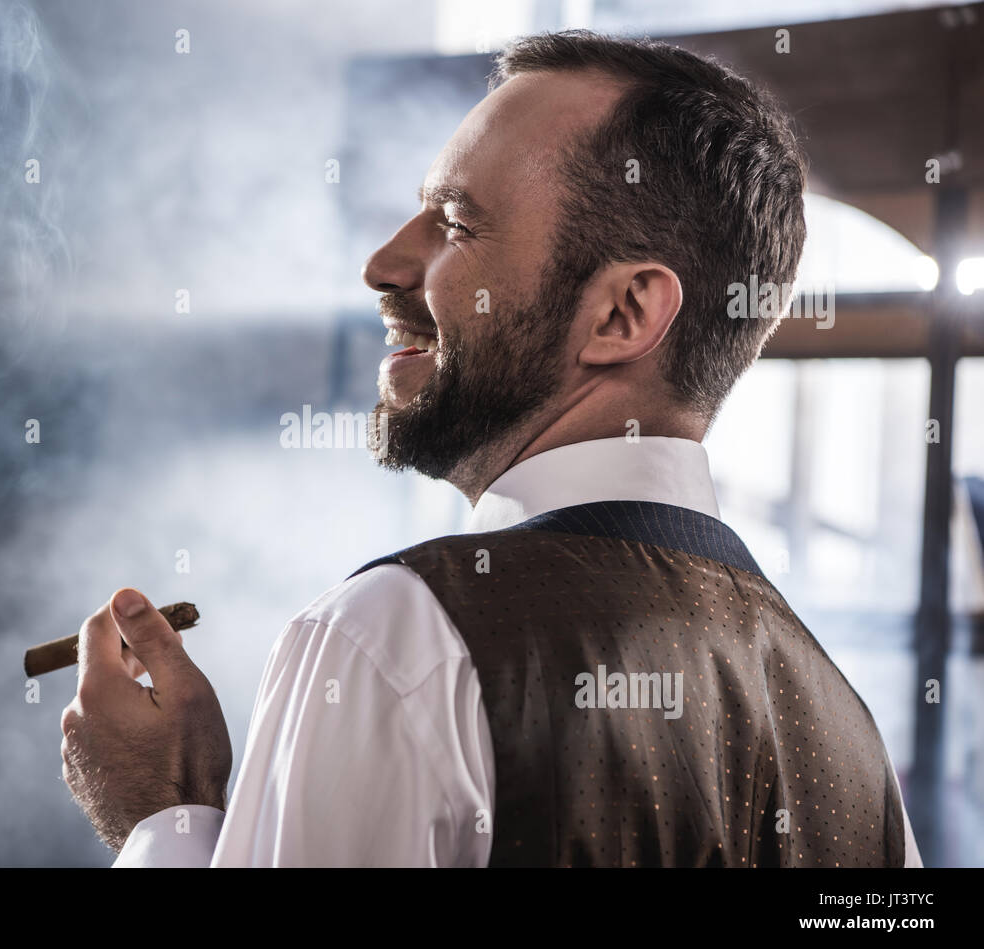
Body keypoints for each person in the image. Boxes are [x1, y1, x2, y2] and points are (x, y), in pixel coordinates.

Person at [60, 29, 921, 867]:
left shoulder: (395, 634)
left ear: (623, 314)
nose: (385, 263)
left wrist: (164, 818)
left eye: (456, 223)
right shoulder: (849, 737)